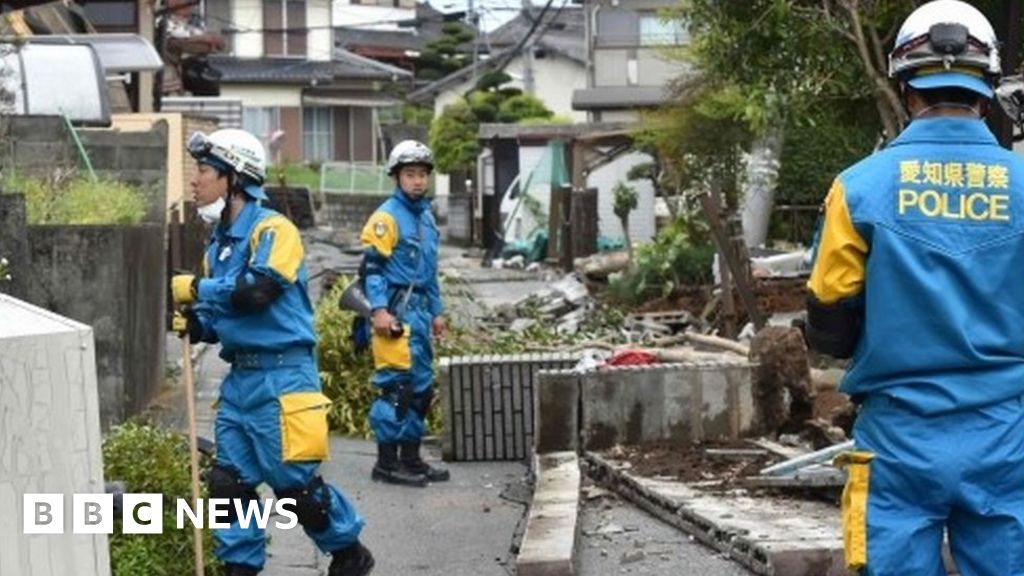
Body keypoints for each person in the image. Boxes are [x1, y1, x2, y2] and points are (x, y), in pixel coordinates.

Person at [805, 2, 1024, 574]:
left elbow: (828, 323)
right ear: (987, 90)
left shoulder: (858, 189)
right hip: (1009, 435)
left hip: (896, 438)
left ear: (906, 89)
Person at [170, 128, 374, 576]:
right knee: (228, 483)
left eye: (204, 171)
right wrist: (195, 322)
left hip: (285, 379)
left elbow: (256, 294)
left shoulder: (274, 230)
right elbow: (220, 320)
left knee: (293, 486)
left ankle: (348, 552)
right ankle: (240, 566)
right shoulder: (217, 246)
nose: (195, 181)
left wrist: (199, 287)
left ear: (235, 178)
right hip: (241, 379)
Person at [358, 139, 448, 487]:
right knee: (397, 390)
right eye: (410, 174)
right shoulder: (386, 217)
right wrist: (379, 310)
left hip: (422, 312)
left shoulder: (425, 216)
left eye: (422, 174)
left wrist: (437, 312)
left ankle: (411, 460)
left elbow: (429, 271)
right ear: (396, 177)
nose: (417, 181)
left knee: (421, 390)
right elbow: (373, 269)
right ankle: (385, 463)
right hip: (394, 311)